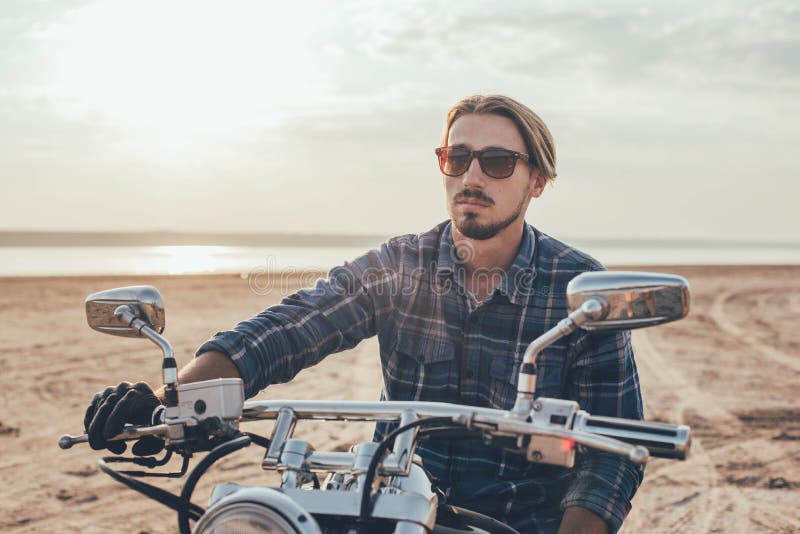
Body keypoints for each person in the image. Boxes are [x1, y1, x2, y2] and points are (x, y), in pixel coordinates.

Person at [84, 94, 644, 533]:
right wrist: (170, 402)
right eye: (457, 157)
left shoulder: (579, 290)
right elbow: (288, 329)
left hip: (516, 522)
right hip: (389, 499)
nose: (471, 178)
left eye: (496, 162)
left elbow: (613, 454)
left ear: (537, 181)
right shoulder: (400, 264)